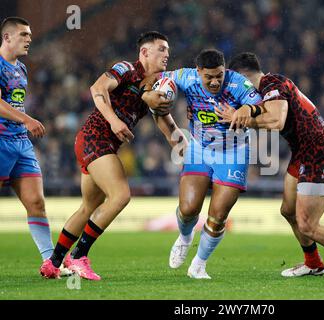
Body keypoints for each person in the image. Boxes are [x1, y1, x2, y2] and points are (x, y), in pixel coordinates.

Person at [40, 31, 186, 280]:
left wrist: (189, 151)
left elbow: (169, 128)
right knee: (120, 196)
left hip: (101, 146)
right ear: (144, 52)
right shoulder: (127, 69)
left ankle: (52, 264)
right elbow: (97, 88)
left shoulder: (158, 86)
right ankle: (78, 256)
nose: (167, 54)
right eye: (161, 49)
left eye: (168, 50)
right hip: (93, 139)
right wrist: (114, 120)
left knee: (88, 207)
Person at [219, 52, 324, 279]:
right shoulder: (268, 89)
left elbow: (276, 121)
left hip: (317, 154)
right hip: (303, 153)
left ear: (241, 77)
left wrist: (239, 117)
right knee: (288, 210)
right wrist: (241, 118)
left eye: (233, 81)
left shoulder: (271, 83)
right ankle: (313, 263)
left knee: (308, 225)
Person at [156, 49, 262, 279]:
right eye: (209, 77)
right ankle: (185, 238)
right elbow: (162, 81)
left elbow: (260, 106)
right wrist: (162, 92)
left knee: (217, 217)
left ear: (226, 71)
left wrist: (245, 110)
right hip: (199, 149)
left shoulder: (238, 84)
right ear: (199, 72)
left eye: (219, 76)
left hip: (234, 152)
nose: (215, 81)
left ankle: (199, 264)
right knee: (188, 209)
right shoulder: (186, 77)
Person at [0, 17, 60, 271]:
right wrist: (26, 119)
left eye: (30, 35)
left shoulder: (21, 69)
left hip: (21, 144)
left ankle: (50, 262)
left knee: (36, 202)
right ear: (7, 37)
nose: (29, 39)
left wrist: (24, 122)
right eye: (24, 34)